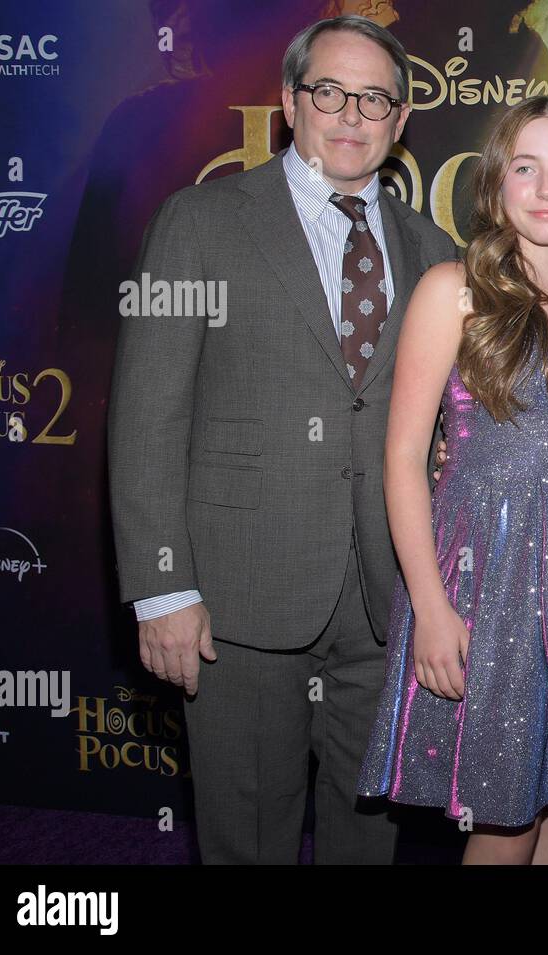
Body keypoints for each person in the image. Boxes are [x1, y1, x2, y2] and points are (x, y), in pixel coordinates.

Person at [107, 15, 457, 864]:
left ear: (401, 120)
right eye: (329, 91)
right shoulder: (200, 221)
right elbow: (147, 414)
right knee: (246, 835)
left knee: (369, 834)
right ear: (290, 104)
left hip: (386, 601)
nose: (351, 113)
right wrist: (162, 588)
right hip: (238, 596)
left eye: (375, 98)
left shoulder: (434, 251)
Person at [357, 96, 548, 865]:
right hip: (488, 574)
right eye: (526, 168)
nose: (547, 187)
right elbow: (402, 459)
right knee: (505, 816)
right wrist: (429, 603)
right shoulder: (452, 290)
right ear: (496, 185)